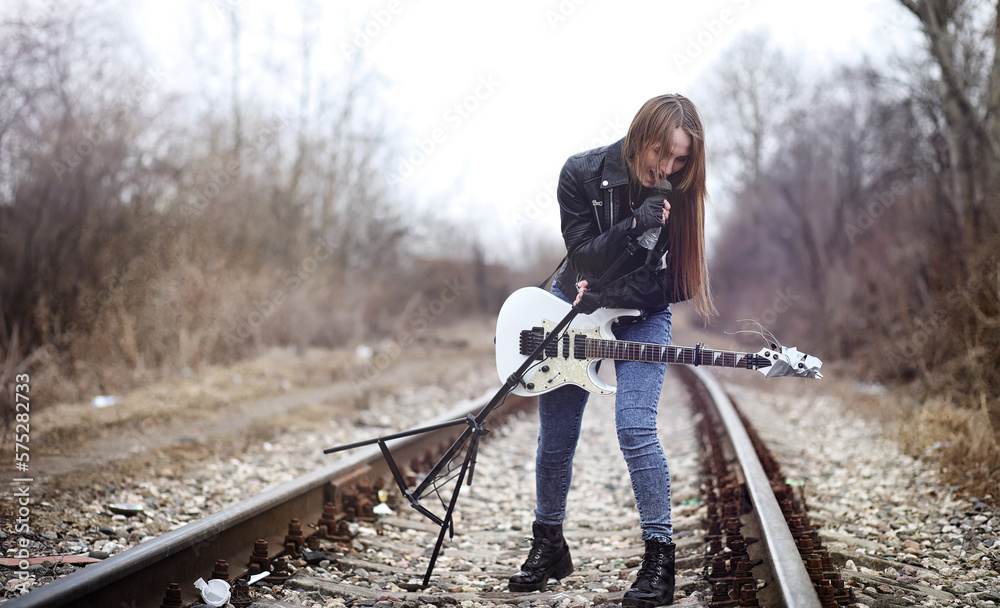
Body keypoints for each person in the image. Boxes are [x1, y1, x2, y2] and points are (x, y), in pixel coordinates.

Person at [507, 94, 716, 608]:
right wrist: (637, 224)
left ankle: (659, 557)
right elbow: (582, 260)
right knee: (557, 432)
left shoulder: (681, 190)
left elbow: (675, 284)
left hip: (642, 311)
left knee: (635, 425)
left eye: (680, 159)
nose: (667, 167)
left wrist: (614, 291)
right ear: (638, 135)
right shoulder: (579, 173)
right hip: (573, 305)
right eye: (661, 153)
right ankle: (549, 544)